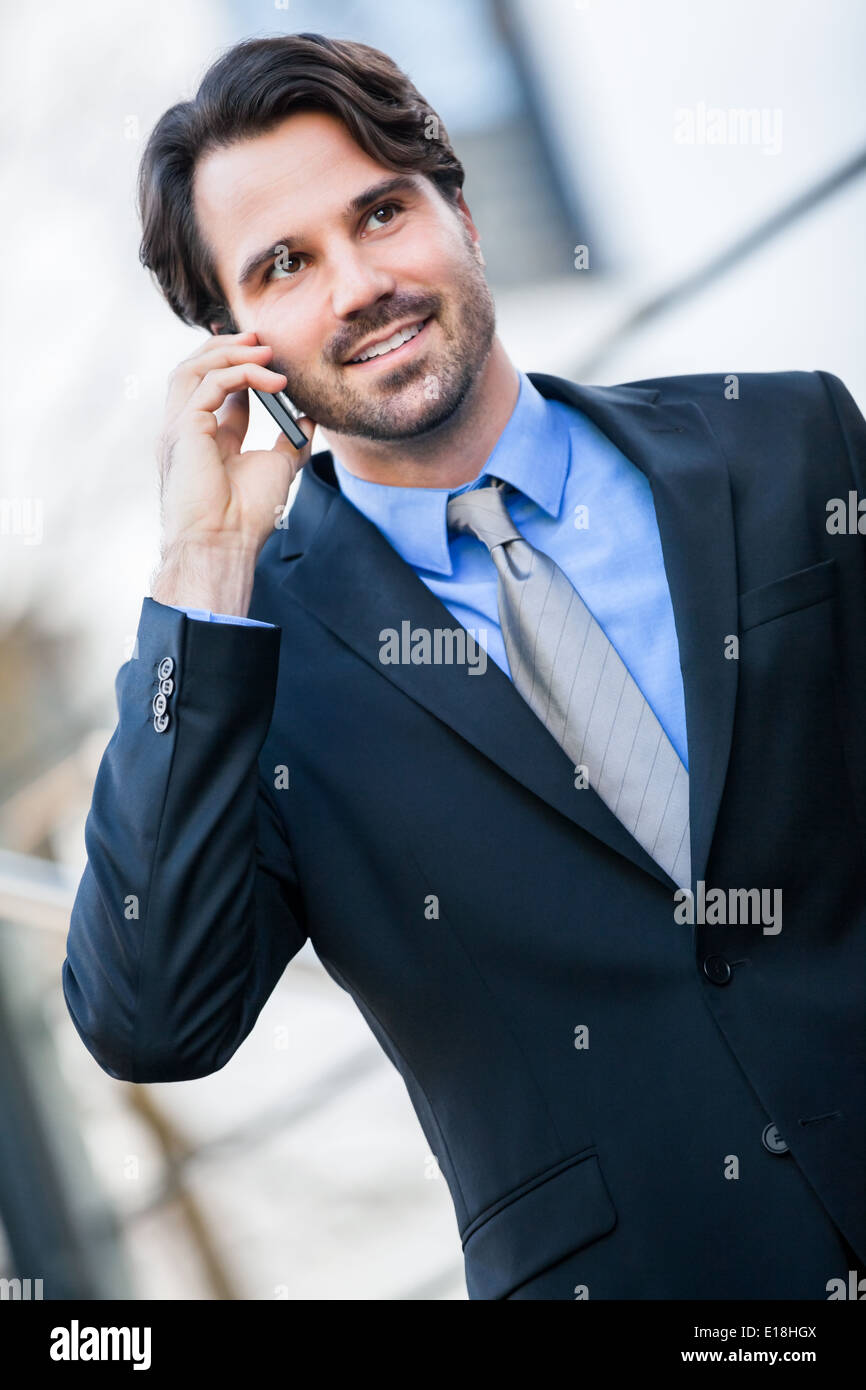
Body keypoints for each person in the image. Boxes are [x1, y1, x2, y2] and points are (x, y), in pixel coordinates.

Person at [63, 32, 865, 1300]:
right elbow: (151, 1016)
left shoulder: (787, 439)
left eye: (381, 212)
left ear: (463, 213)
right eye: (285, 265)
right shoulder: (246, 668)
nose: (358, 283)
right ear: (238, 348)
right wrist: (204, 556)